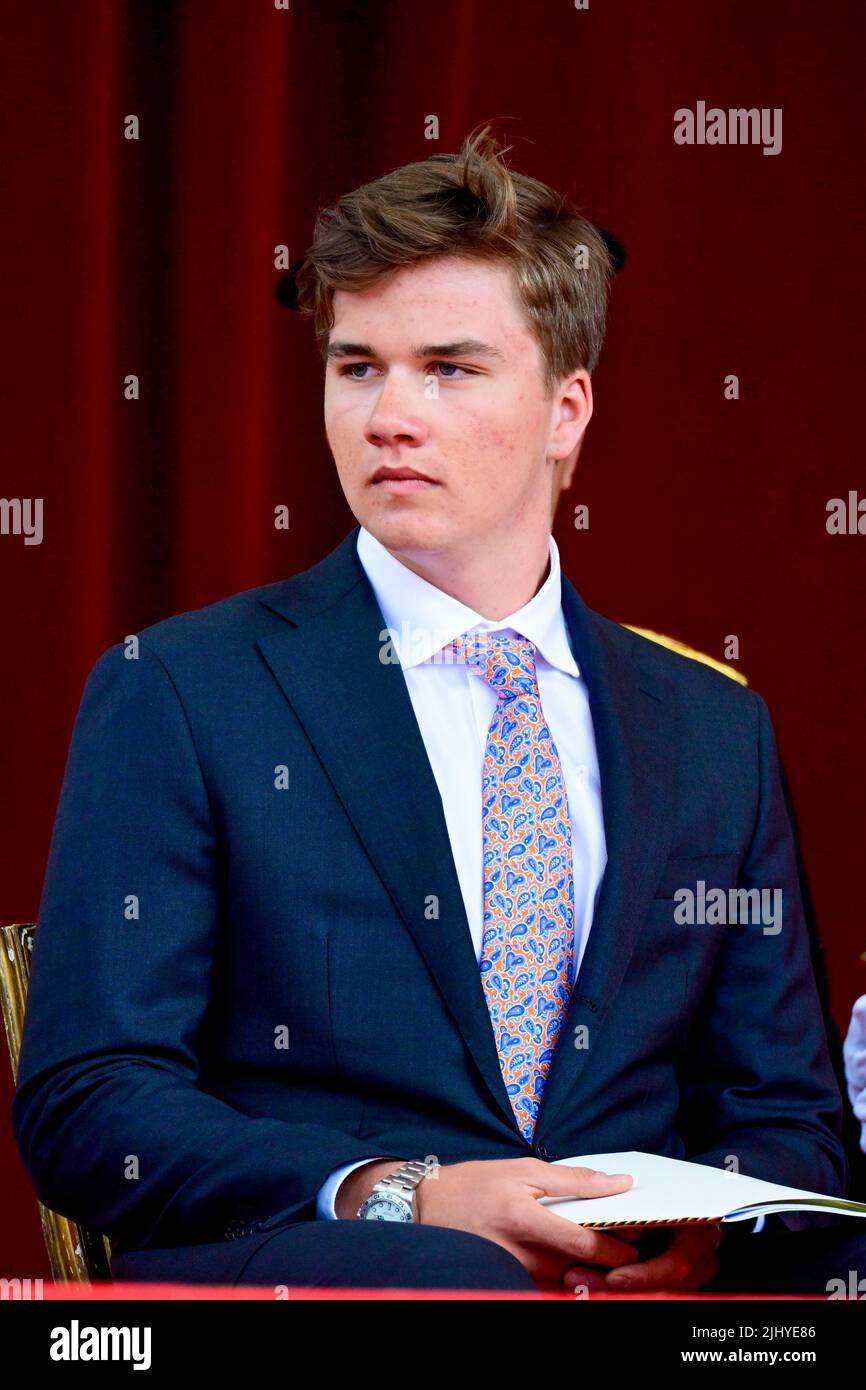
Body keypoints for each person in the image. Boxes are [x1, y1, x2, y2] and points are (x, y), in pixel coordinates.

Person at [12, 128, 862, 1295]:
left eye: (447, 368)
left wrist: (696, 1239)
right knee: (458, 1280)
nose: (386, 415)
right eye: (356, 366)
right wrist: (404, 1191)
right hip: (327, 1267)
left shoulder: (712, 728)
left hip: (641, 1287)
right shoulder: (178, 687)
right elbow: (87, 1100)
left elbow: (788, 1120)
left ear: (566, 410)